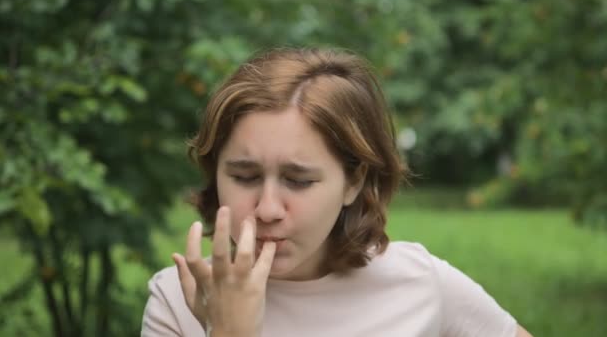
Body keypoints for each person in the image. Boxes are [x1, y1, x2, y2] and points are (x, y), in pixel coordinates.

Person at [141, 48, 533, 337]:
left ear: (353, 182)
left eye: (298, 180)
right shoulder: (178, 298)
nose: (268, 209)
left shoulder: (421, 284)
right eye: (245, 176)